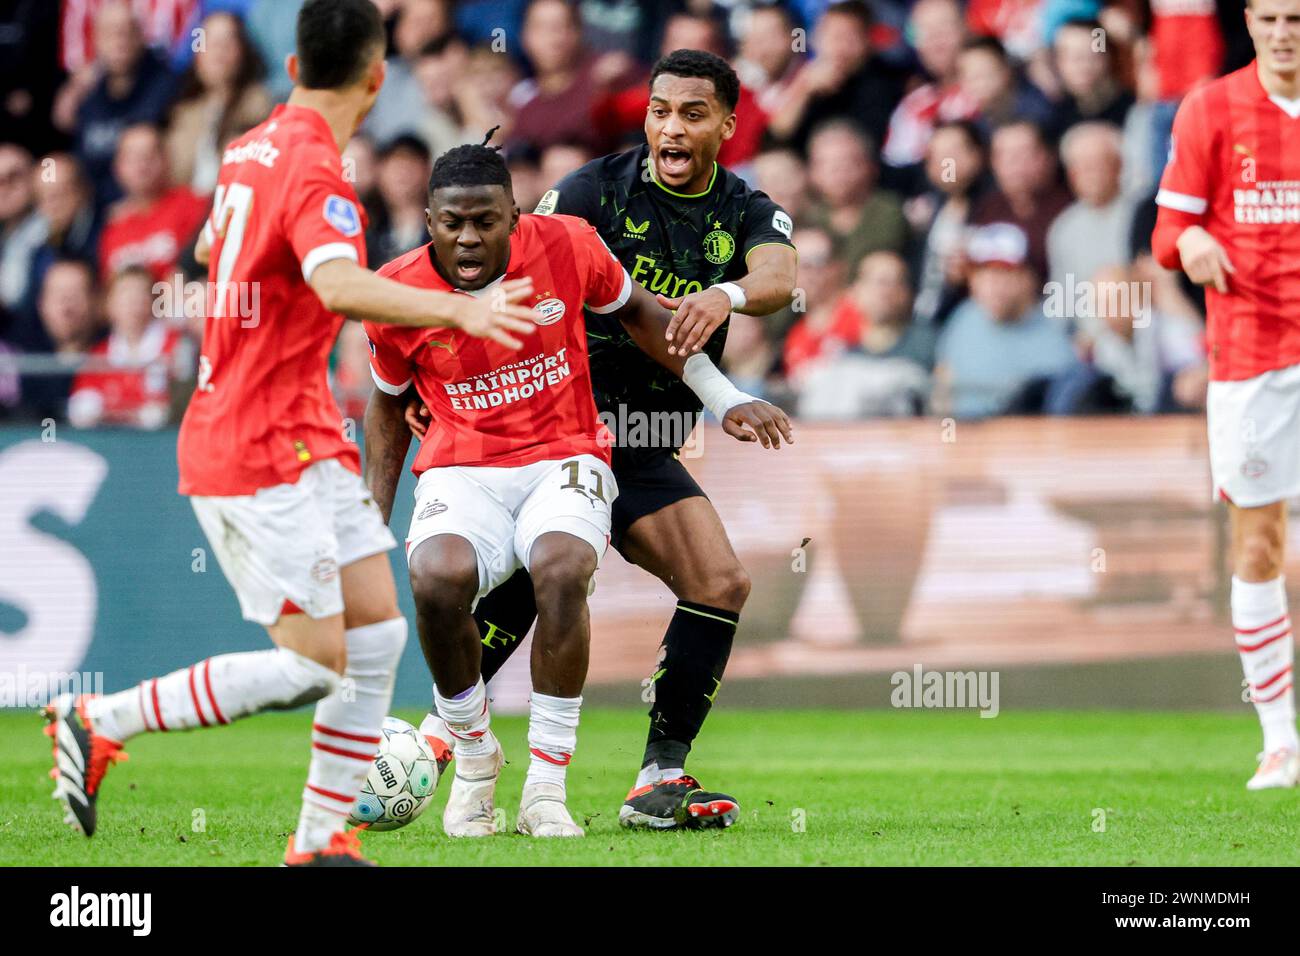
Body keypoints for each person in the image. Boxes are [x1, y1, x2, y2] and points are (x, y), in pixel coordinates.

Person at [40, 0, 541, 868]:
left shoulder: (252, 144)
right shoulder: (313, 168)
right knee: (317, 661)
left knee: (379, 638)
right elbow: (342, 285)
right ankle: (97, 719)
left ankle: (319, 841)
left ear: (296, 65)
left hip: (306, 435)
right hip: (254, 446)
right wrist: (463, 309)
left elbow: (207, 247)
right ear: (377, 79)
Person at [408, 48, 798, 831]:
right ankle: (443, 743)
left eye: (693, 113)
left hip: (647, 440)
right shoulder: (590, 194)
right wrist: (440, 391)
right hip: (553, 429)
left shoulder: (745, 210)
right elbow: (491, 274)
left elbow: (783, 277)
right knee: (534, 578)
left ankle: (658, 775)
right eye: (660, 111)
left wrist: (723, 300)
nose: (673, 127)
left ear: (727, 123)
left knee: (718, 582)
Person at [1151, 0, 1300, 789]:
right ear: (1248, 20)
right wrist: (1195, 238)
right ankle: (1279, 739)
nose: (1283, 32)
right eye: (1270, 17)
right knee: (1260, 544)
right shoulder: (1212, 106)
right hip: (1253, 359)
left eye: (1296, 18)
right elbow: (1165, 234)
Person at [932, 222, 1077, 418]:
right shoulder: (962, 318)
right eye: (984, 273)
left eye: (1005, 273)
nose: (993, 284)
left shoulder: (1057, 327)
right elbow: (942, 389)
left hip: (1031, 440)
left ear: (1028, 278)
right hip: (965, 440)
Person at [67, 265, 187, 429]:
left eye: (141, 294)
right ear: (109, 303)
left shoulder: (176, 346)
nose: (133, 303)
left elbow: (178, 407)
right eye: (125, 294)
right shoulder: (99, 355)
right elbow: (81, 409)